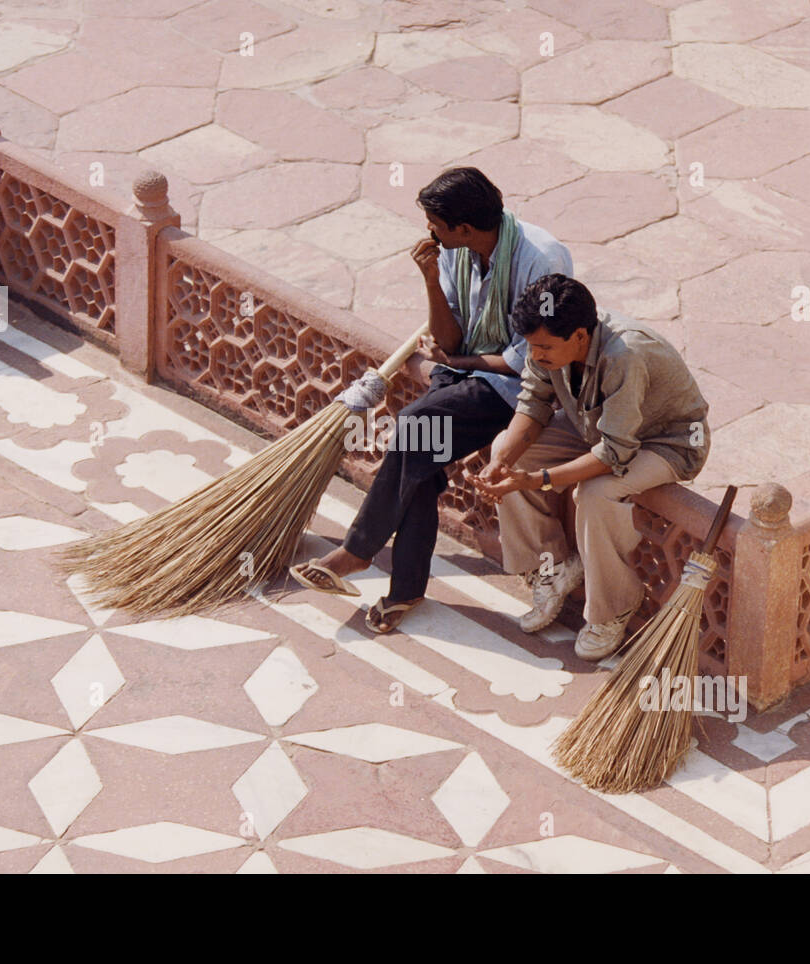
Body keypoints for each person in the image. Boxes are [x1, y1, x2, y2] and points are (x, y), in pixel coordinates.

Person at [290, 167, 572, 633]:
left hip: (516, 389)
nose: (429, 233)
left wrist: (462, 361)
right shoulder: (452, 252)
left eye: (436, 225)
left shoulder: (542, 259)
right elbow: (446, 336)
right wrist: (428, 279)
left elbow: (530, 363)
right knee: (419, 454)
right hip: (463, 371)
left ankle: (357, 551)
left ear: (464, 227)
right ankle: (405, 591)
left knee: (415, 427)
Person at [472, 274, 711, 661]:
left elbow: (615, 452)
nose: (536, 356)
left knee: (597, 492)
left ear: (581, 336)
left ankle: (612, 609)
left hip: (668, 442)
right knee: (506, 447)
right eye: (532, 347)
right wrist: (501, 464)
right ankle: (550, 569)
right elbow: (533, 404)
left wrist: (537, 480)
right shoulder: (549, 347)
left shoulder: (625, 355)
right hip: (596, 428)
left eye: (545, 347)